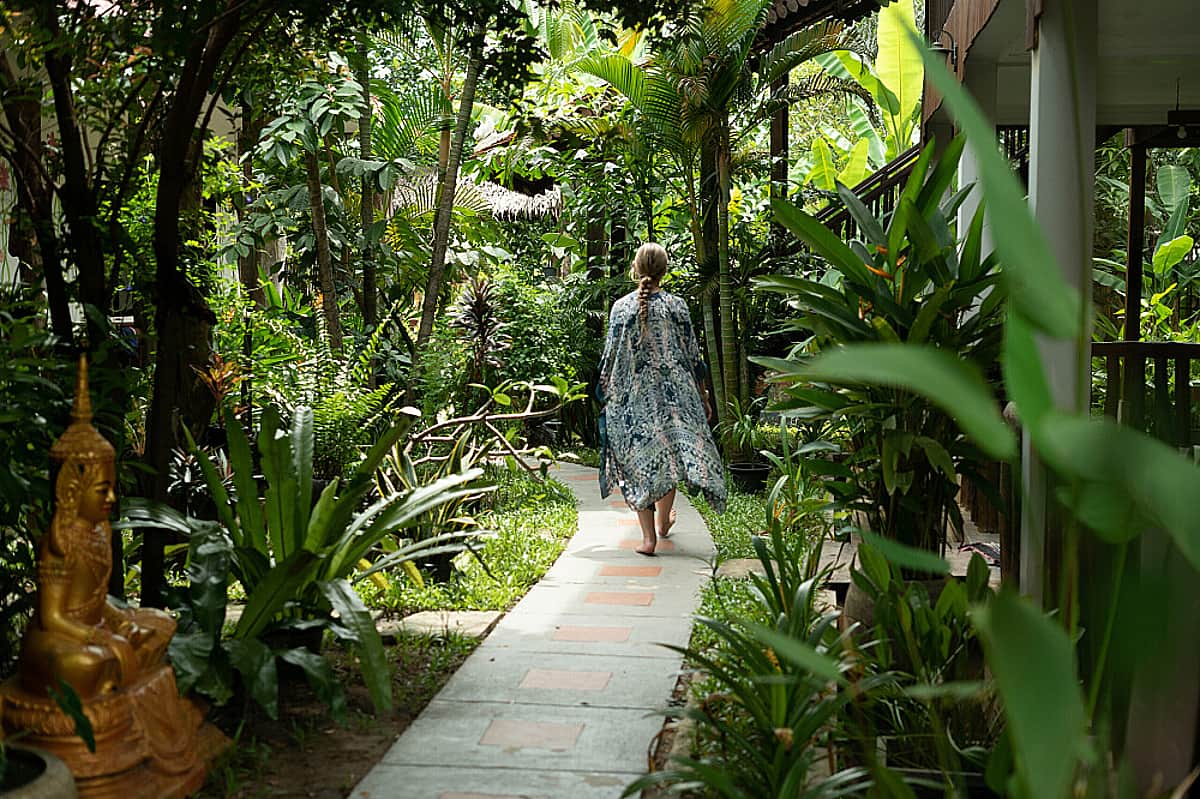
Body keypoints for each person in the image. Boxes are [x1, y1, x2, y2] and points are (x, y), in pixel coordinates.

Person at [598, 242, 726, 555]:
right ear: (663, 270)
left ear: (636, 268)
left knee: (638, 462)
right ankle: (664, 522)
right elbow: (693, 355)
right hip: (675, 397)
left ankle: (648, 539)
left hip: (635, 399)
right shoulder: (677, 306)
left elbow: (610, 356)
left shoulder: (621, 308)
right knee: (671, 457)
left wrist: (606, 391)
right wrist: (704, 395)